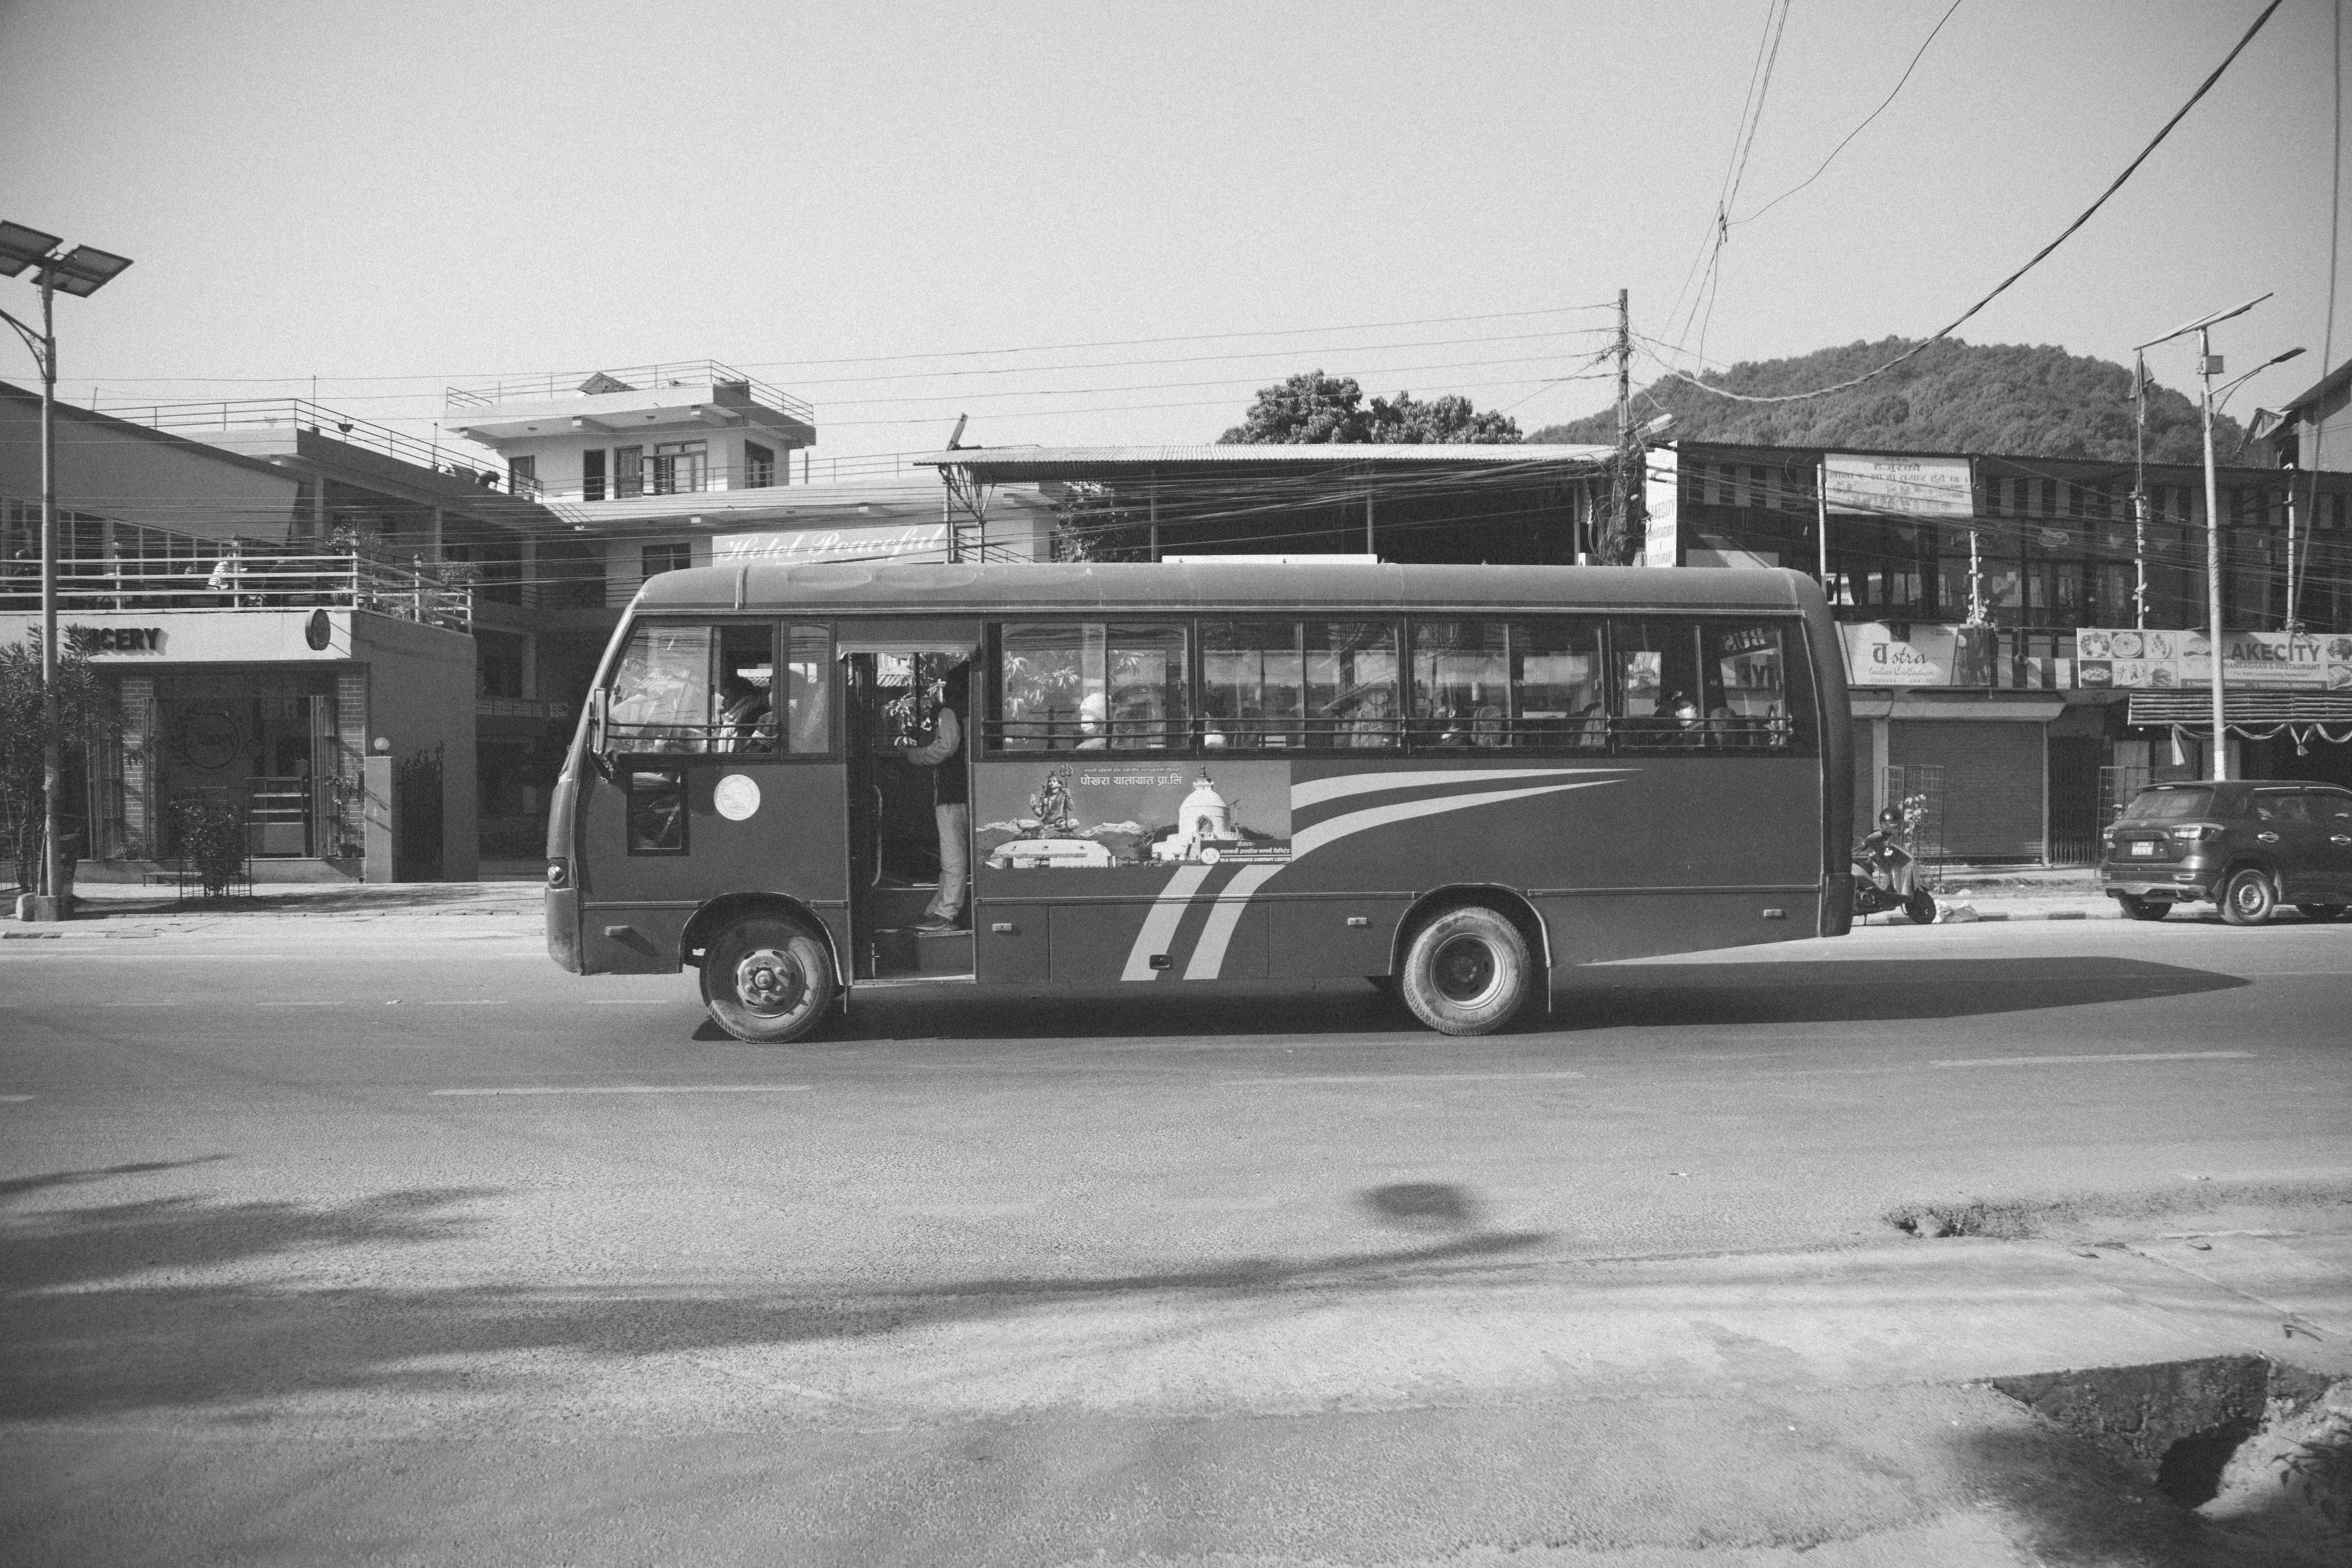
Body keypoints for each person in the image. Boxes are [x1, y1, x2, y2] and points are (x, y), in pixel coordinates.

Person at [903, 658, 969, 931]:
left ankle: (947, 915)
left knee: (953, 856)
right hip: (971, 789)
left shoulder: (950, 712)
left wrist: (914, 755)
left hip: (952, 793)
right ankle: (938, 907)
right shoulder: (974, 709)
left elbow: (946, 748)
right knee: (953, 856)